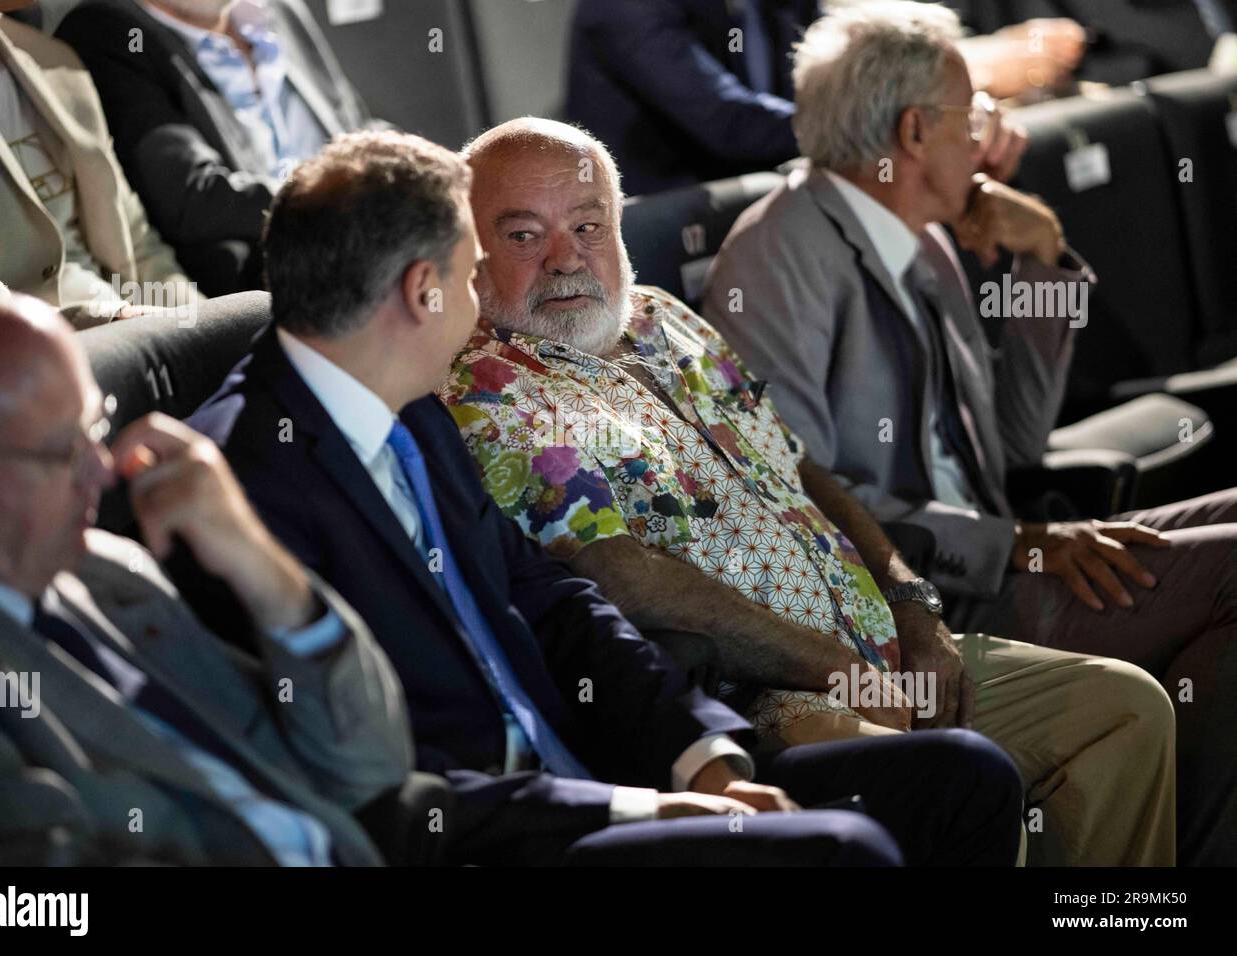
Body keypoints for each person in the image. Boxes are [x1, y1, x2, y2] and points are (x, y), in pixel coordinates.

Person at [189, 128, 1026, 867]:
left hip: (593, 761)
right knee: (844, 847)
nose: (482, 304)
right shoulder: (253, 476)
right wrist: (644, 802)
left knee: (963, 778)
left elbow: (554, 602)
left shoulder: (405, 416)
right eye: (478, 269)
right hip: (501, 825)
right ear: (422, 292)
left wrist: (704, 757)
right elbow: (374, 783)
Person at [438, 115, 1177, 866]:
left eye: (588, 226)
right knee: (955, 782)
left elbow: (802, 470)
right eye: (525, 236)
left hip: (891, 628)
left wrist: (915, 607)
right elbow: (619, 576)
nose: (567, 259)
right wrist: (842, 667)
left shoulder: (666, 317)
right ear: (469, 252)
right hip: (766, 691)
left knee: (1125, 708)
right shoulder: (490, 386)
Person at [702, 0, 1237, 866]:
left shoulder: (934, 240)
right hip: (931, 596)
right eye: (975, 113)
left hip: (1010, 546)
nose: (992, 131)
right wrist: (1016, 546)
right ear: (915, 132)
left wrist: (1047, 260)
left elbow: (1019, 441)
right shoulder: (777, 254)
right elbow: (799, 505)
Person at [0, 285, 411, 865]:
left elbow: (369, 765)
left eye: (97, 428)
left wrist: (254, 559)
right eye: (65, 451)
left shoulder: (110, 571)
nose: (103, 471)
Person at [57, 0, 389, 295]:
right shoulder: (109, 31)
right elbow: (190, 198)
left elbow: (354, 124)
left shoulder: (283, 11)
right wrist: (338, 200)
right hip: (267, 281)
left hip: (365, 236)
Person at [562, 0, 1063, 194]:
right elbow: (729, 122)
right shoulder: (622, 7)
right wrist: (899, 126)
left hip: (775, 199)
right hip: (666, 227)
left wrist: (944, 101)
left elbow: (845, 78)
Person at [0, 1, 199, 326]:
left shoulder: (54, 60)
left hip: (135, 332)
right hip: (33, 358)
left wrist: (201, 321)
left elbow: (139, 243)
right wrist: (116, 319)